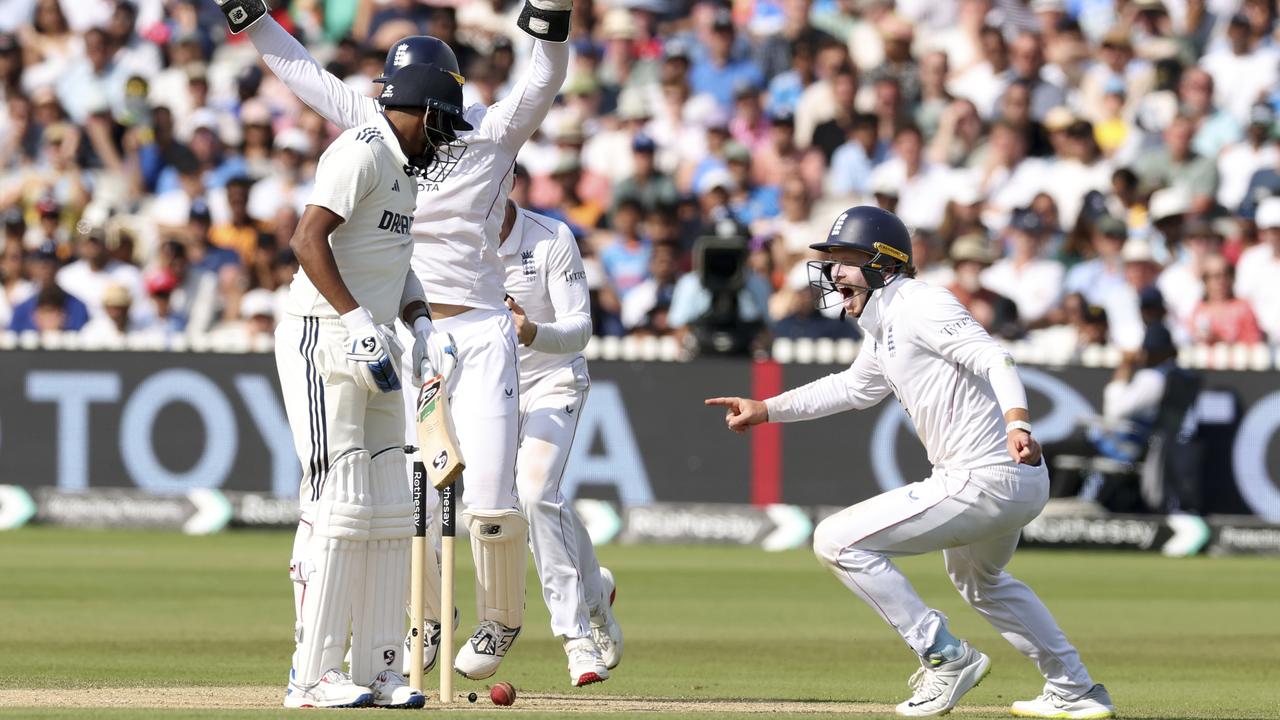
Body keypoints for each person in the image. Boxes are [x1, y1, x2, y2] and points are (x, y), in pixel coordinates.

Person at [215, 0, 573, 679]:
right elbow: (305, 73)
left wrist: (551, 13)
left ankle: (501, 620)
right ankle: (425, 623)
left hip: (479, 329)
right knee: (412, 498)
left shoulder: (492, 134)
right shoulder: (378, 129)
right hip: (410, 333)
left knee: (491, 501)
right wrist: (249, 17)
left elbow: (545, 73)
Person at [705, 206, 1114, 719]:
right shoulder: (882, 322)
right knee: (981, 582)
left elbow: (995, 358)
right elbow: (854, 388)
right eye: (831, 261)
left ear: (885, 263)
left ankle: (945, 657)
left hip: (984, 473)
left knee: (836, 540)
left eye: (846, 260)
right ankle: (1074, 689)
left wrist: (1018, 423)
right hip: (1011, 480)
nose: (834, 273)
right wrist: (767, 409)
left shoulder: (920, 303)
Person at [272, 62, 470, 710]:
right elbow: (307, 239)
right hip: (323, 337)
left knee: (390, 502)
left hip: (378, 340)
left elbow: (396, 263)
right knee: (341, 499)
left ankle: (382, 668)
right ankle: (312, 676)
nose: (443, 138)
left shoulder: (406, 171)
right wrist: (356, 320)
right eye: (440, 121)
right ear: (413, 109)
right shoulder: (360, 150)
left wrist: (419, 324)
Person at [496, 198, 624, 686]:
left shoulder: (550, 237)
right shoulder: (453, 237)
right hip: (491, 391)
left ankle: (576, 639)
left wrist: (532, 333)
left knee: (534, 493)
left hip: (553, 380)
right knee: (533, 503)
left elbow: (579, 328)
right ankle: (596, 594)